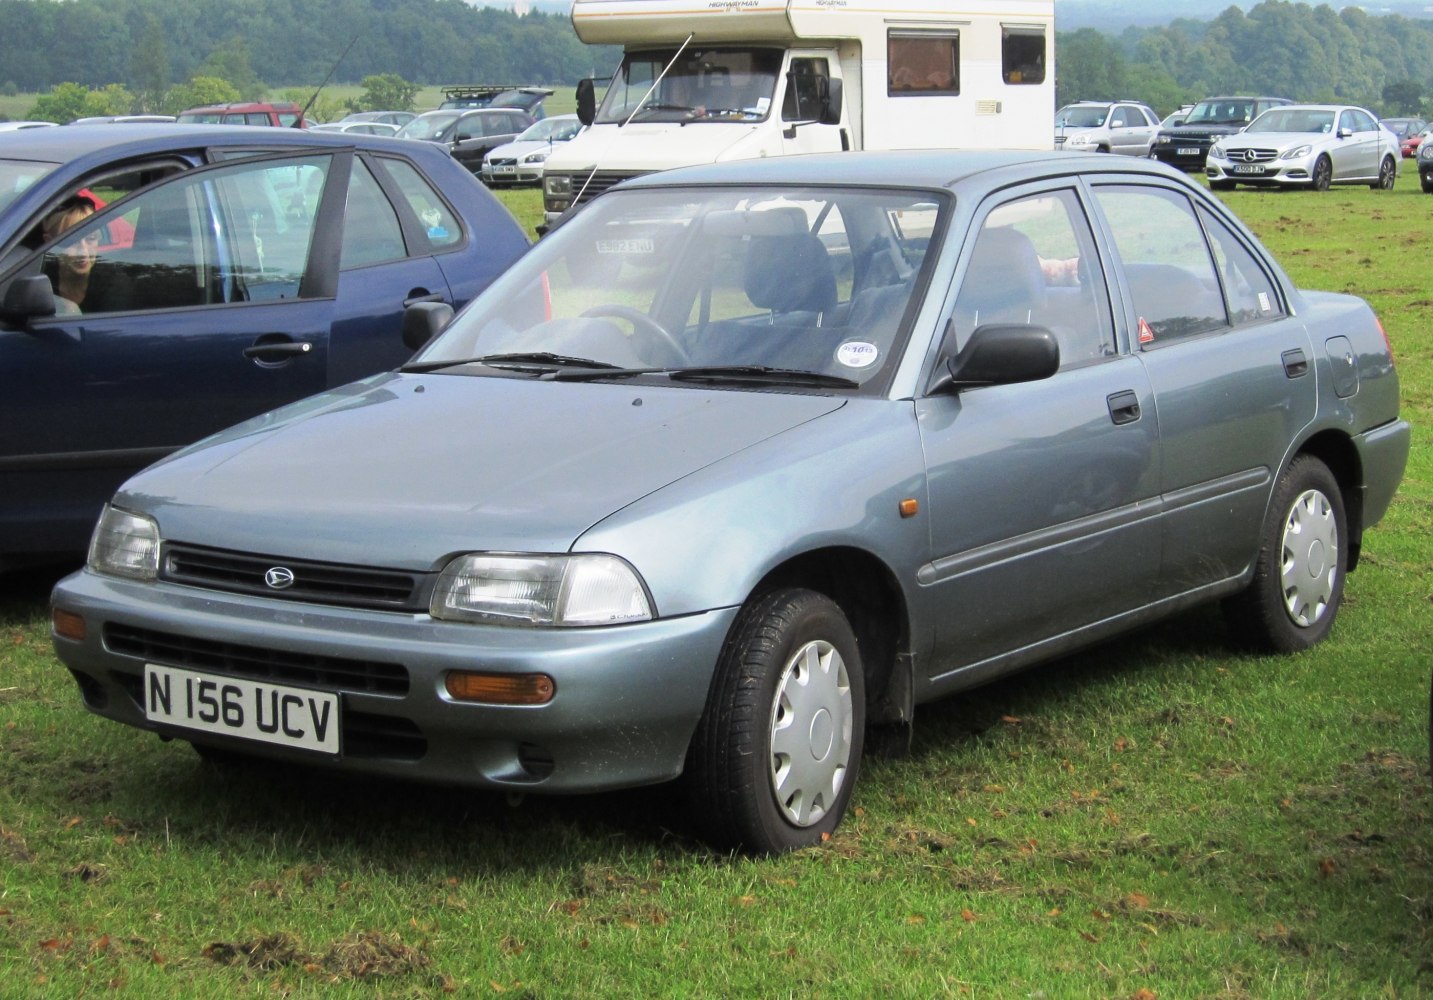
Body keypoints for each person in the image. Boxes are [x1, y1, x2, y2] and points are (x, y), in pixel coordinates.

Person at [40, 196, 99, 314]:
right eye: (72, 241)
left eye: (91, 239)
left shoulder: (115, 285)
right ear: (49, 243)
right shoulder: (37, 284)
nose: (83, 251)